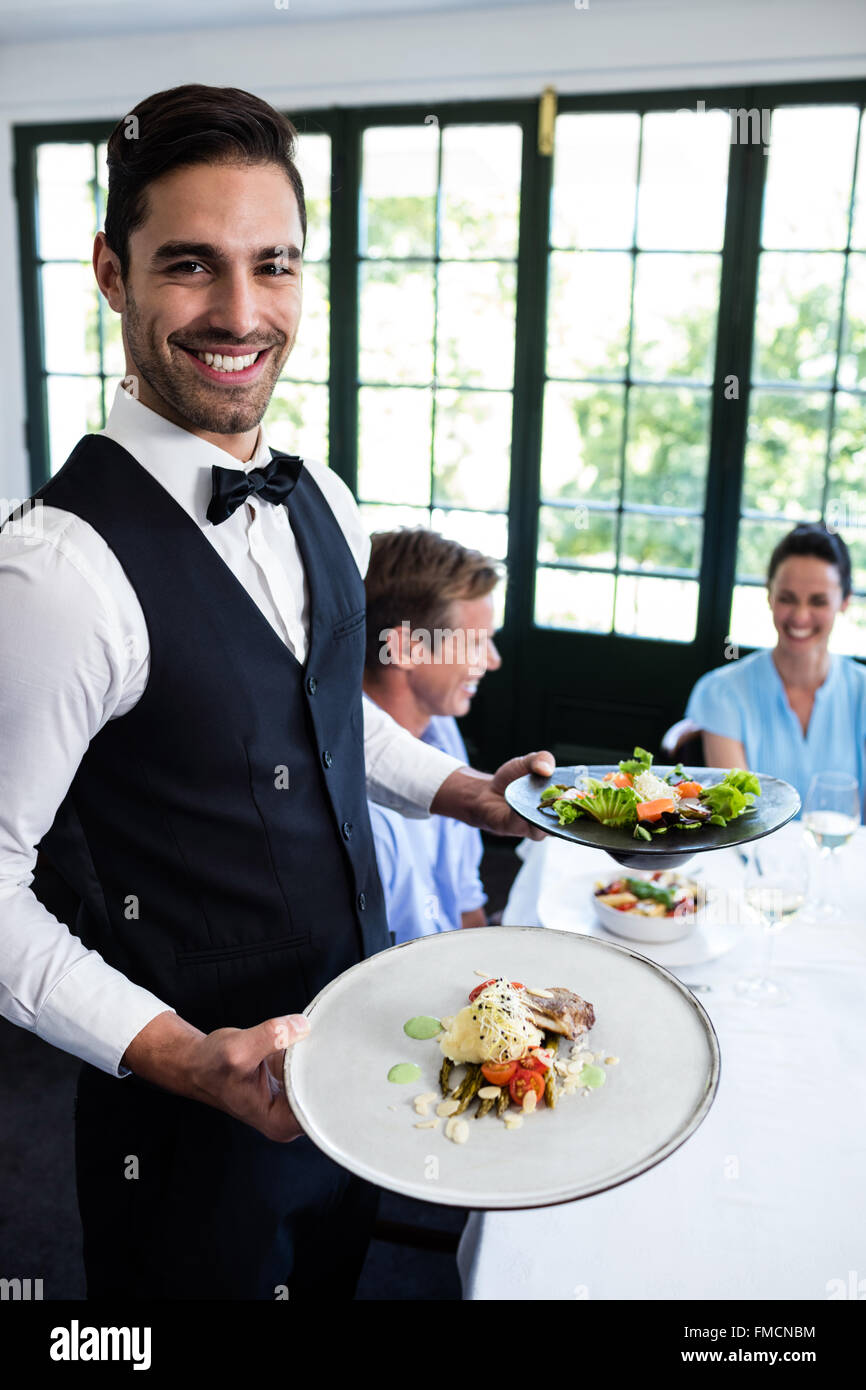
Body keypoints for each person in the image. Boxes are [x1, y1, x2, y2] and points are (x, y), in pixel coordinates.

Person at [0, 83, 554, 1302]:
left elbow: (322, 717)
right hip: (188, 1129)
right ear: (111, 273)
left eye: (274, 266)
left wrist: (468, 793)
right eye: (190, 266)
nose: (240, 314)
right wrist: (188, 1060)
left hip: (350, 1063)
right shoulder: (53, 573)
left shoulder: (324, 498)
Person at [363, 528, 502, 942]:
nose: (492, 661)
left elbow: (464, 896)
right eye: (476, 643)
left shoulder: (440, 728)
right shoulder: (360, 810)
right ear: (406, 649)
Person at [685, 523, 866, 817]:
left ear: (845, 601)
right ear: (769, 595)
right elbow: (738, 820)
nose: (800, 616)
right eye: (787, 598)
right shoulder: (721, 693)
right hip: (753, 861)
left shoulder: (862, 692)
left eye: (818, 601)